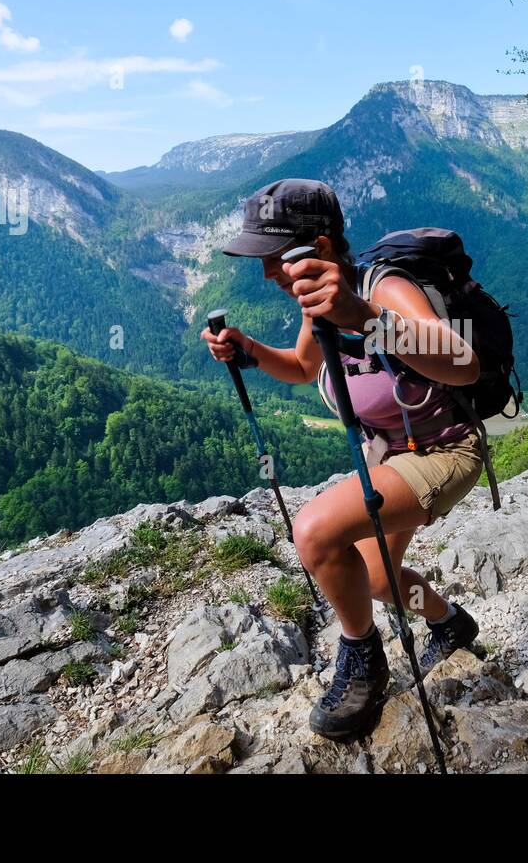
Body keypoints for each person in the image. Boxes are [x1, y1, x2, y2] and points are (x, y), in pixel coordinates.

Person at [202, 178, 482, 740]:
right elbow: (305, 368)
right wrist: (248, 350)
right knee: (377, 577)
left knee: (315, 533)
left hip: (444, 449)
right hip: (390, 453)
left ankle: (362, 660)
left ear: (321, 250)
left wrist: (361, 315)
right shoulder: (319, 303)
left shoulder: (386, 289)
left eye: (273, 258)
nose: (266, 274)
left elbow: (463, 362)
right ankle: (450, 623)